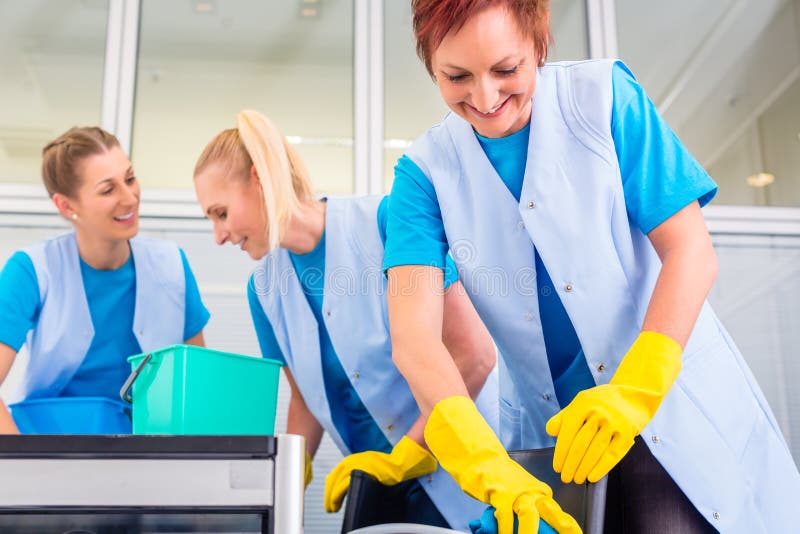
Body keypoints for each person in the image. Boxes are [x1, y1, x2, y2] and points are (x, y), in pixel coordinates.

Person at [382, 1, 800, 533]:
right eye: (456, 76)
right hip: (552, 438)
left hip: (666, 409)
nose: (485, 98)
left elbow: (690, 251)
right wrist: (479, 458)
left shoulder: (602, 98)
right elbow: (415, 338)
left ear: (538, 46)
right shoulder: (422, 174)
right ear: (430, 67)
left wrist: (636, 388)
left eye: (506, 70)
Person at [193, 109, 499, 531]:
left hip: (461, 471)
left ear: (258, 179)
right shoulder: (264, 290)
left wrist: (406, 455)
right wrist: (287, 478)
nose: (219, 235)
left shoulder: (386, 225)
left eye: (221, 213)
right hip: (376, 486)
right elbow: (305, 400)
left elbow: (474, 355)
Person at [0, 126, 210, 434]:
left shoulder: (172, 265)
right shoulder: (32, 270)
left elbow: (198, 385)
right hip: (51, 452)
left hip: (149, 455)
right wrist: (25, 464)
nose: (130, 198)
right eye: (108, 190)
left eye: (130, 179)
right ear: (66, 206)